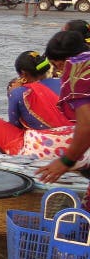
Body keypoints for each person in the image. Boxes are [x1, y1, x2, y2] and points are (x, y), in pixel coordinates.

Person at [0, 51, 71, 154]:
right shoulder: (65, 82)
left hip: (45, 149)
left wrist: (11, 94)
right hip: (77, 145)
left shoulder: (19, 92)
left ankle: (14, 158)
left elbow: (15, 125)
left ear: (23, 73)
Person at [36, 31, 90, 204]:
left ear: (61, 61)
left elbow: (87, 125)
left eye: (55, 65)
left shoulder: (78, 71)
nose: (58, 70)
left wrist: (66, 161)